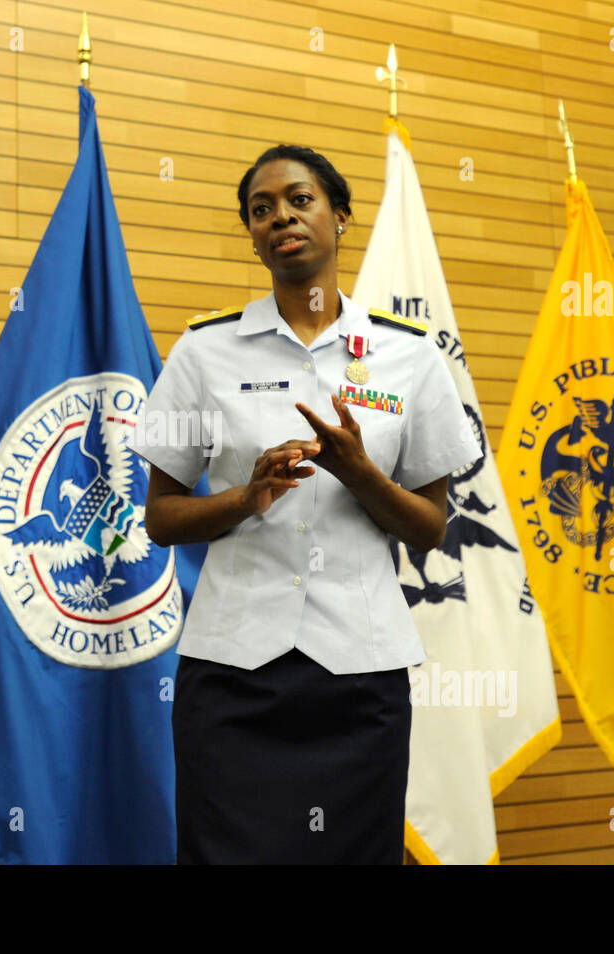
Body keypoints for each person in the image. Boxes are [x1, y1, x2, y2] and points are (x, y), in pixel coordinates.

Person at [131, 144, 482, 864]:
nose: (280, 217)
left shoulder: (407, 355)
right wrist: (245, 497)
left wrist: (362, 476)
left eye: (299, 199)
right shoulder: (204, 352)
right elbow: (160, 519)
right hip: (232, 676)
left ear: (340, 216)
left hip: (360, 676)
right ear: (253, 236)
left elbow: (431, 531)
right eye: (261, 210)